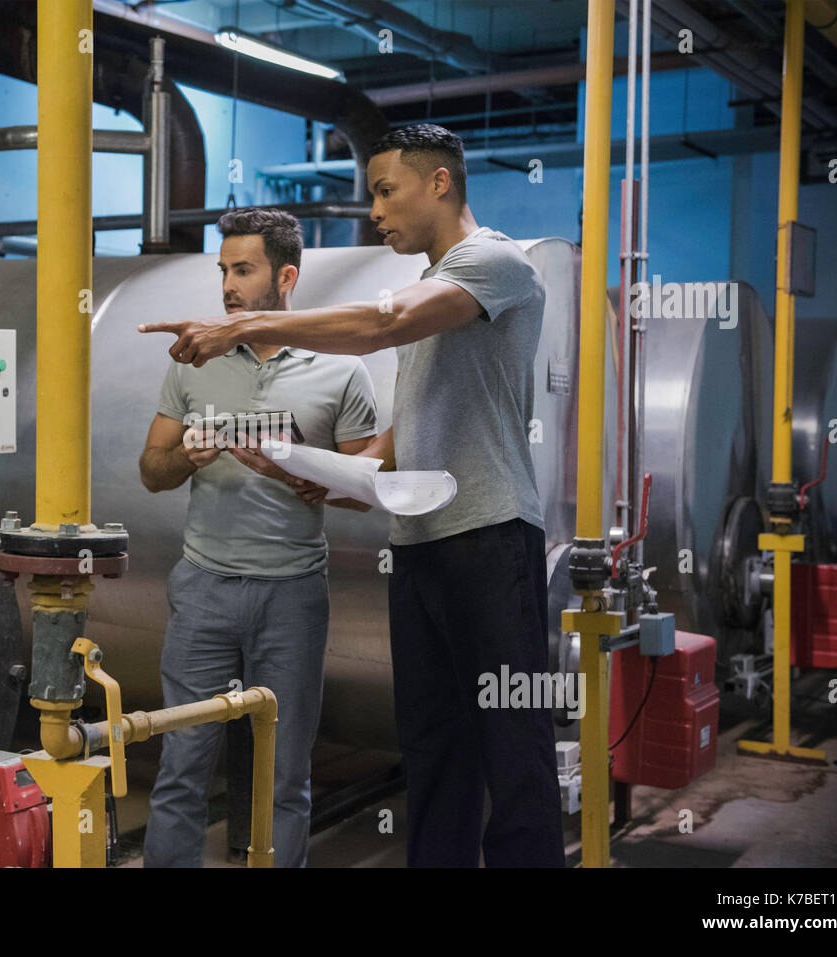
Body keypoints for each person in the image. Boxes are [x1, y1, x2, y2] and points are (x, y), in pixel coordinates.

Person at [139, 124, 565, 868]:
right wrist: (341, 471)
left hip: (491, 538)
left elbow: (383, 325)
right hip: (421, 545)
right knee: (435, 751)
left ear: (439, 183)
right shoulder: (430, 285)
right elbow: (414, 422)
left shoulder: (497, 262)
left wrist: (239, 324)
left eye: (384, 190)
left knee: (514, 747)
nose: (374, 209)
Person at [138, 207, 378, 867]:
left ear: (287, 275)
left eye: (243, 270)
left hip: (293, 597)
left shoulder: (341, 370)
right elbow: (151, 469)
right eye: (223, 270)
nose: (227, 286)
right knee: (182, 762)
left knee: (285, 774)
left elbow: (368, 486)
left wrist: (321, 481)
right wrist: (188, 454)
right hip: (204, 589)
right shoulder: (195, 362)